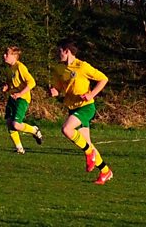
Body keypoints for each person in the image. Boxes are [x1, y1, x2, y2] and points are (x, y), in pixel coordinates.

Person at [51, 40, 113, 184]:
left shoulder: (82, 66)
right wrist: (54, 91)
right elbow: (58, 87)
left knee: (66, 129)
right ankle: (105, 171)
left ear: (67, 51)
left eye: (59, 51)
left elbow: (103, 79)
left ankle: (89, 152)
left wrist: (91, 95)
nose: (57, 54)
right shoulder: (59, 68)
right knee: (87, 143)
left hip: (86, 107)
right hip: (72, 107)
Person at [0, 45, 44, 153]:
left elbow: (32, 82)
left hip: (22, 98)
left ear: (14, 56)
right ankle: (19, 148)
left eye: (7, 54)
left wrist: (20, 94)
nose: (4, 55)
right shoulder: (9, 69)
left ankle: (34, 130)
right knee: (9, 123)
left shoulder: (20, 67)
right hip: (13, 98)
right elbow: (12, 83)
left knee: (16, 125)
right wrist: (7, 87)